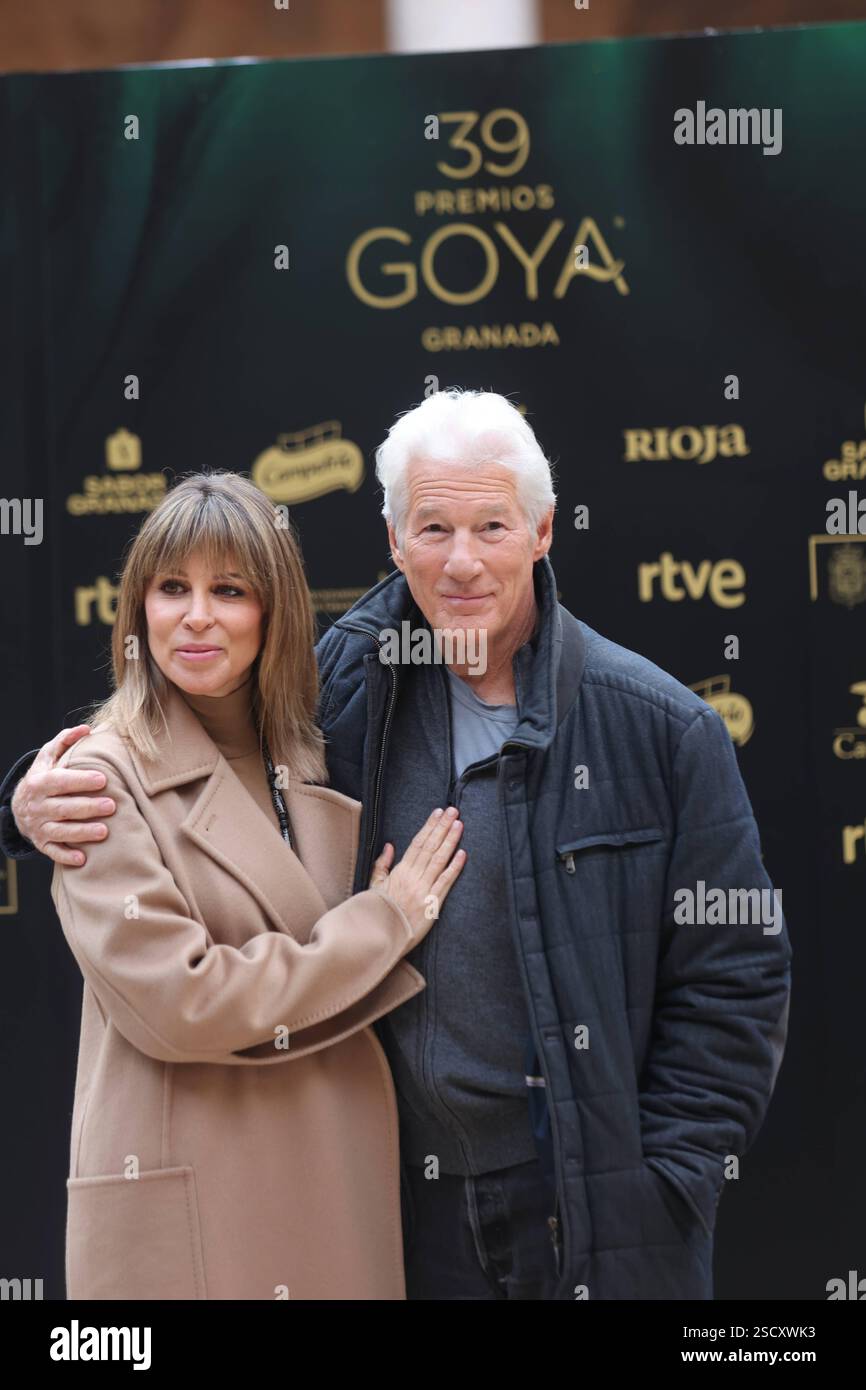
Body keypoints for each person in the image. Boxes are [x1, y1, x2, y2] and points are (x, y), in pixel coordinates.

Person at [2, 388, 792, 1300]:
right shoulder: (342, 689)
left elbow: (738, 978)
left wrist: (664, 1185)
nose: (462, 561)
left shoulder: (660, 728)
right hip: (399, 1212)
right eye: (433, 529)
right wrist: (22, 803)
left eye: (491, 527)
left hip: (589, 1213)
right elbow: (179, 749)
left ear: (542, 532)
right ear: (393, 540)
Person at [6, 469, 465, 1300]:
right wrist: (383, 923)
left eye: (228, 590)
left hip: (329, 1193)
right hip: (201, 1215)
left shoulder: (318, 757)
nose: (196, 616)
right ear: (138, 609)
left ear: (273, 611)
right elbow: (184, 1001)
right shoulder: (98, 780)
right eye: (170, 588)